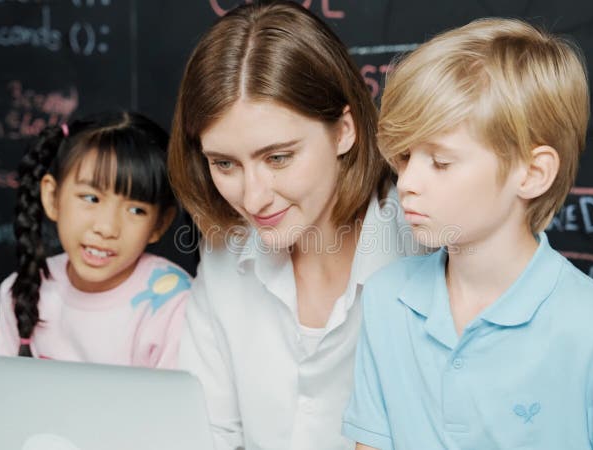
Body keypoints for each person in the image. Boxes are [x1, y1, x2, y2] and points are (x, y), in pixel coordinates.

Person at [342, 18, 593, 450]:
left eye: (440, 162)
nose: (406, 182)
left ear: (533, 174)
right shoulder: (388, 298)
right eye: (405, 157)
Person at [167, 2, 418, 449]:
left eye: (278, 157)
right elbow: (205, 434)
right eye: (224, 163)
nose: (253, 198)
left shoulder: (428, 247)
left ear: (344, 130)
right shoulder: (225, 255)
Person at [0, 111, 191, 369]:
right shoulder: (19, 292)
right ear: (53, 197)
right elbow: (6, 399)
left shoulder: (174, 305)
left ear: (159, 224)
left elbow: (176, 407)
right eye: (91, 198)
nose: (107, 228)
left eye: (136, 210)